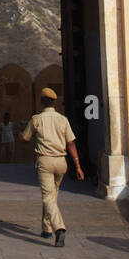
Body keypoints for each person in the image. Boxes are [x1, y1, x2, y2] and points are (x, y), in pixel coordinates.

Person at [20, 86, 83, 246]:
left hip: (45, 161)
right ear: (55, 102)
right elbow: (71, 144)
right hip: (62, 162)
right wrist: (78, 165)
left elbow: (25, 138)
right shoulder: (63, 119)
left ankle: (59, 228)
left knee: (48, 196)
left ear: (41, 101)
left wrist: (21, 134)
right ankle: (46, 228)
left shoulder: (36, 119)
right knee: (52, 195)